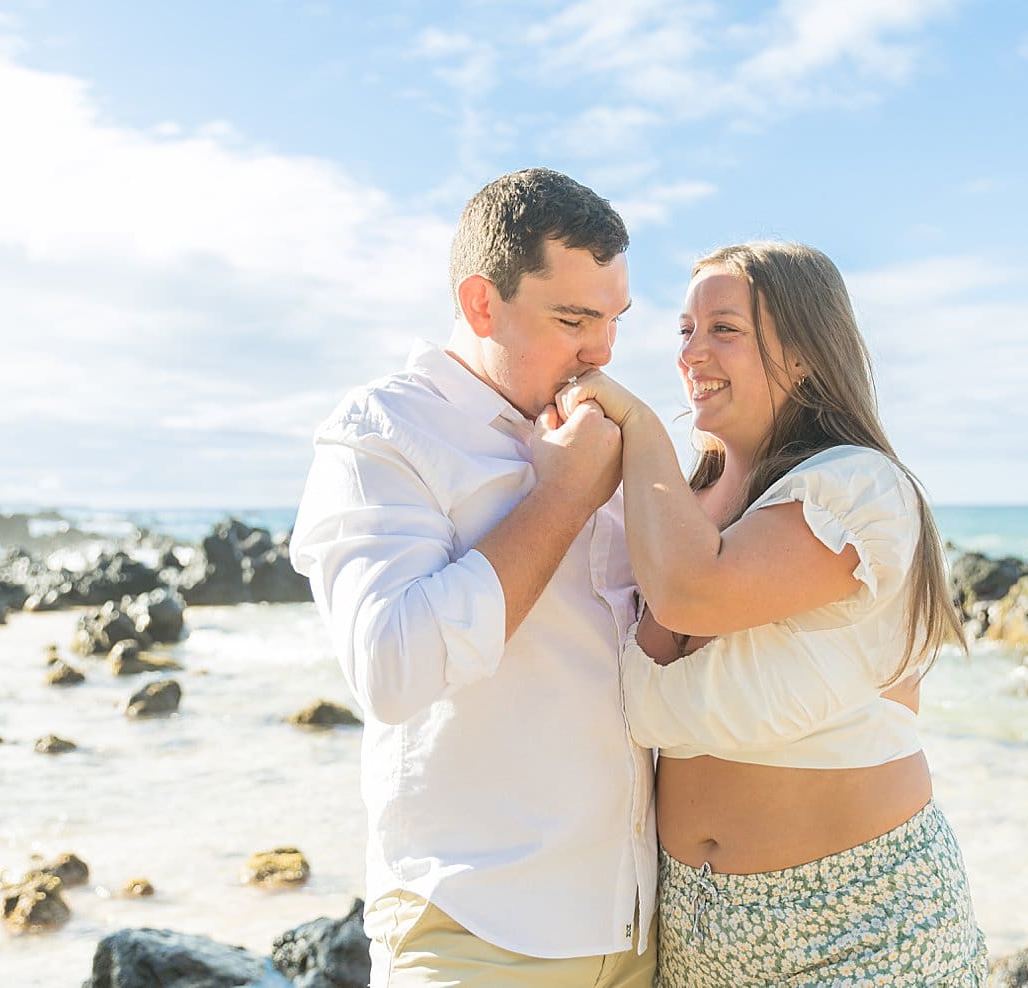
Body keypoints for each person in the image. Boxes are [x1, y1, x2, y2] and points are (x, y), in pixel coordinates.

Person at [556, 241, 989, 986]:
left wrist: (639, 426)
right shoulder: (678, 507)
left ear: (804, 355)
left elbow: (699, 591)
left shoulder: (857, 487)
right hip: (693, 943)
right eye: (685, 331)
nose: (692, 353)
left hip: (861, 925)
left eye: (725, 328)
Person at [289, 168, 656, 987]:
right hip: (474, 932)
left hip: (641, 929)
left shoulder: (602, 429)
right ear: (482, 302)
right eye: (573, 319)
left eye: (613, 321)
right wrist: (562, 497)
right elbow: (393, 667)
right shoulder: (382, 432)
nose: (600, 351)